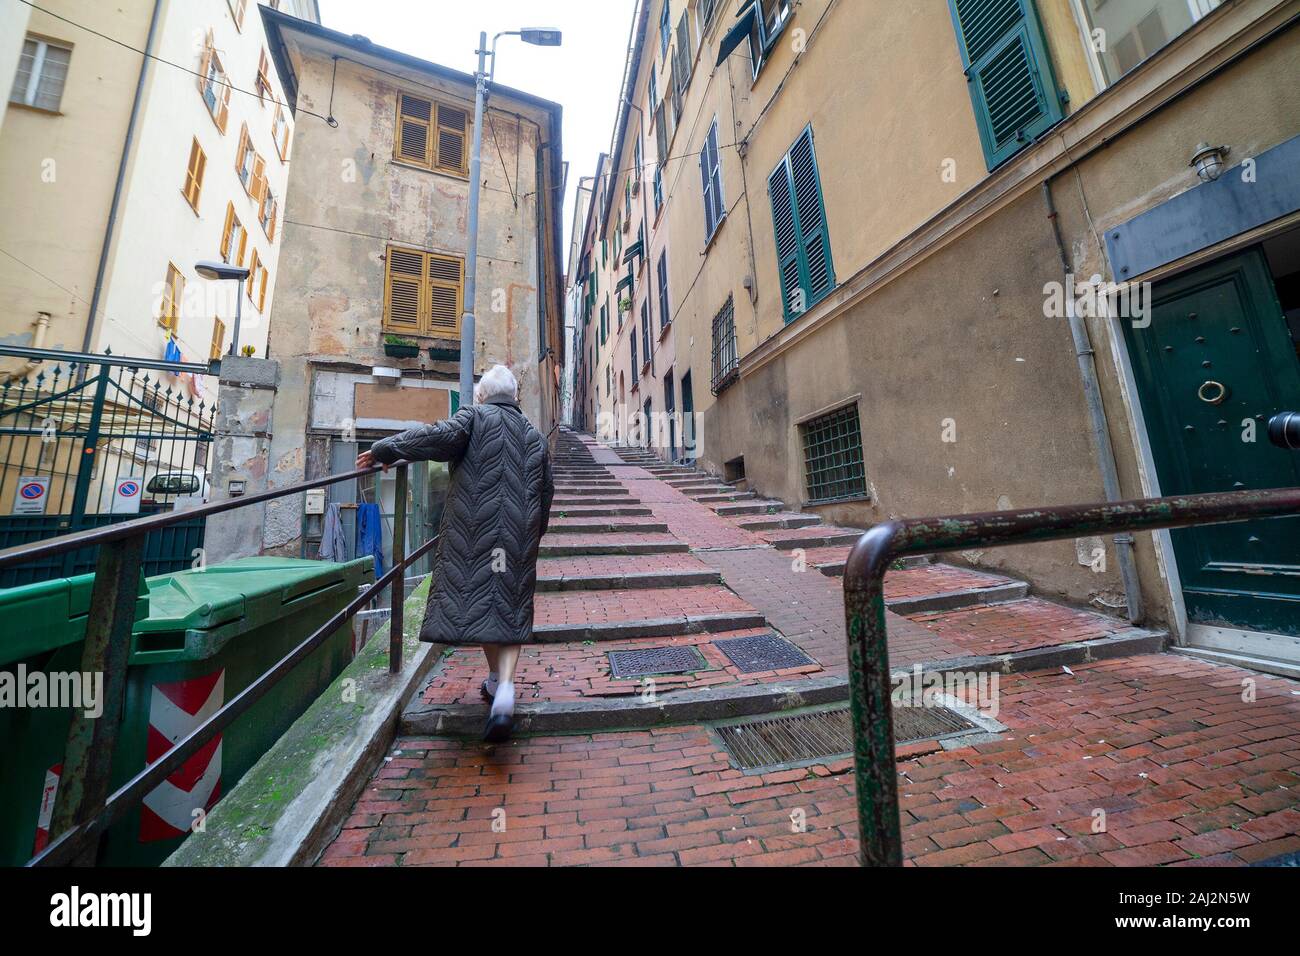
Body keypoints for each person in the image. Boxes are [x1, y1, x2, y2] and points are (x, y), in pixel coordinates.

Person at [356, 365, 554, 742]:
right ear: (515, 397)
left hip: (473, 533)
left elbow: (434, 437)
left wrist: (385, 447)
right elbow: (547, 492)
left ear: (481, 396)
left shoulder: (473, 417)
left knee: (481, 599)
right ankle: (504, 686)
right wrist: (535, 533)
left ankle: (498, 682)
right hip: (517, 535)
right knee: (509, 607)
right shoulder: (535, 436)